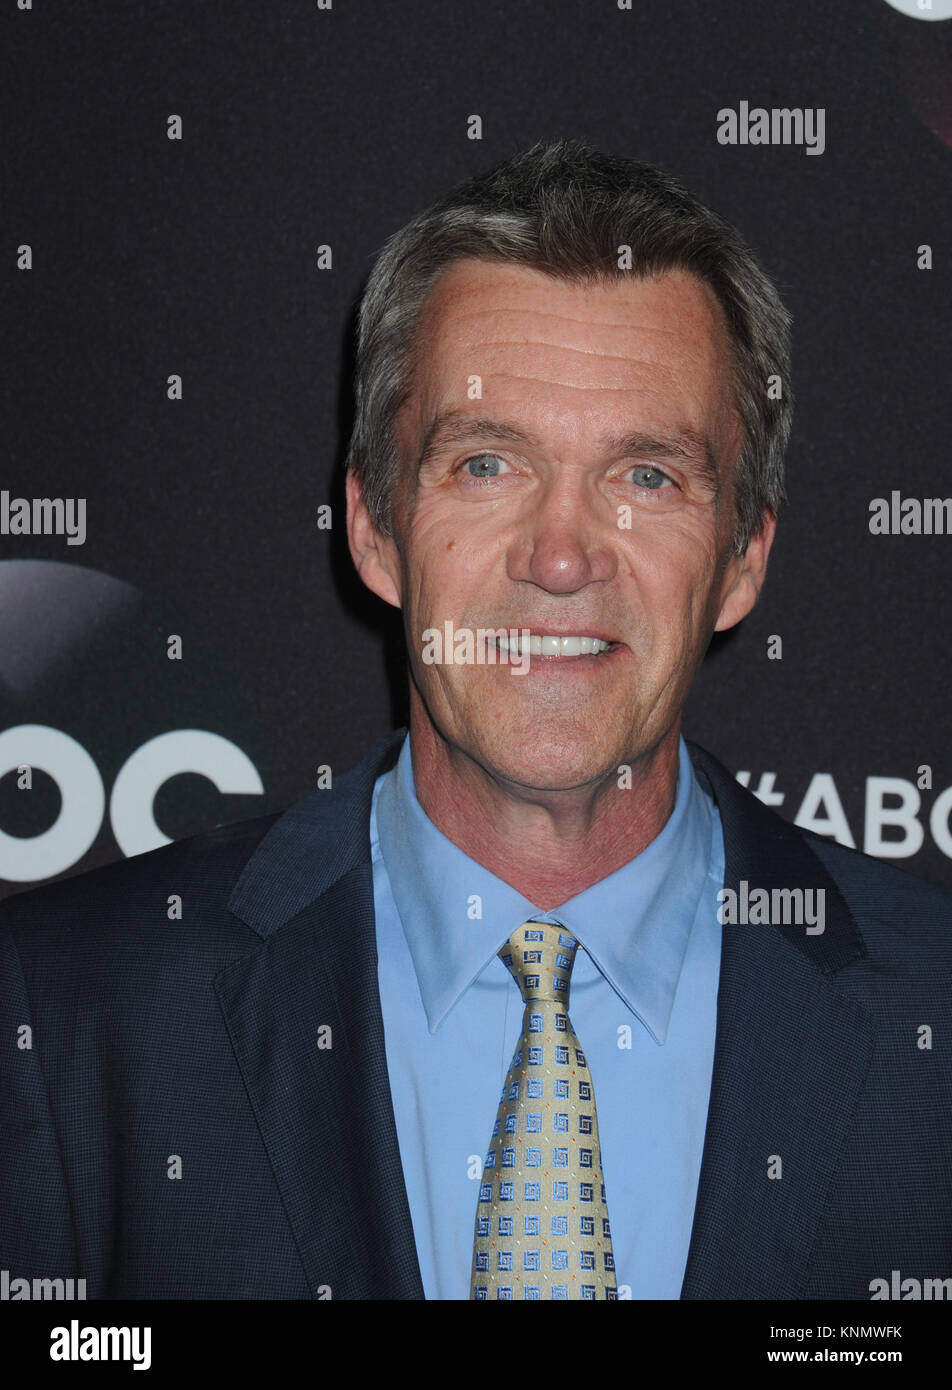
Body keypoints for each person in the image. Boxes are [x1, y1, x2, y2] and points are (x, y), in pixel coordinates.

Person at [2, 139, 950, 1302]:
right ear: (372, 527)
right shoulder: (70, 1013)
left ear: (743, 558)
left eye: (646, 476)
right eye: (487, 463)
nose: (560, 556)